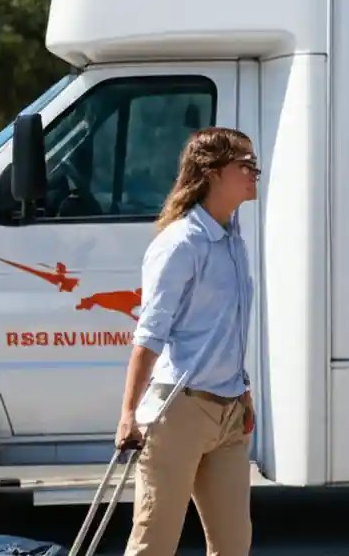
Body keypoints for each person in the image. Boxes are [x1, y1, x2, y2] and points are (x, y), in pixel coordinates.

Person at [116, 126, 261, 556]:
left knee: (234, 545)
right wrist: (128, 414)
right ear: (212, 172)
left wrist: (245, 391)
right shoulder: (181, 242)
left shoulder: (233, 239)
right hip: (178, 411)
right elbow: (150, 333)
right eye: (245, 165)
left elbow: (225, 328)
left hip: (230, 413)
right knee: (154, 544)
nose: (256, 173)